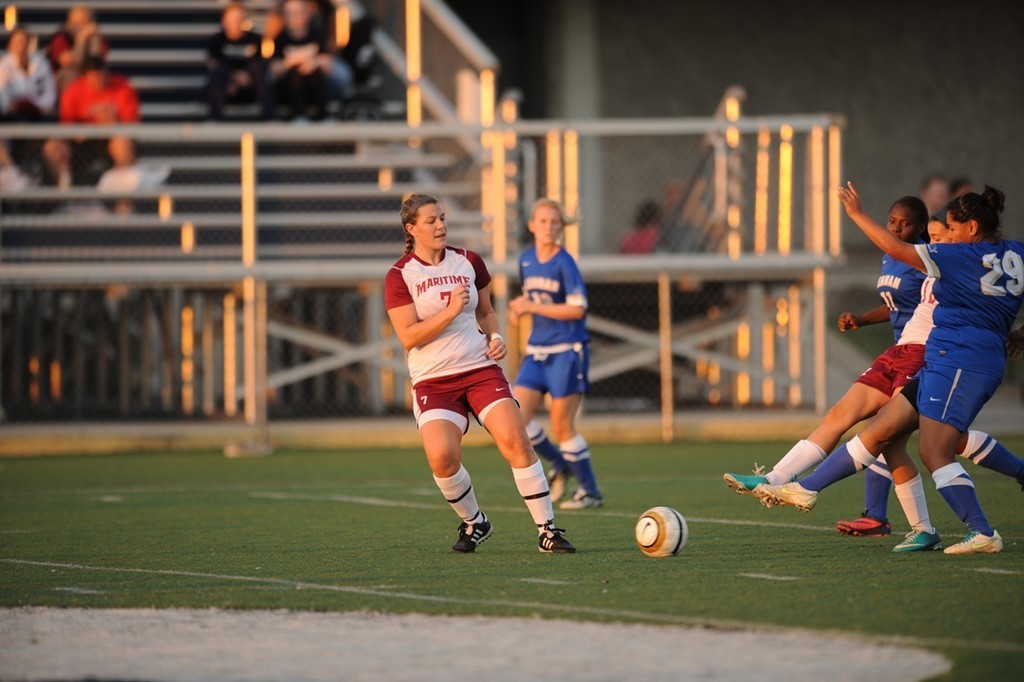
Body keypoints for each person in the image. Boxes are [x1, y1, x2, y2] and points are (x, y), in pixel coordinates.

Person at [762, 183, 1024, 555]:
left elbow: (894, 248)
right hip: (946, 358)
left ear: (971, 229)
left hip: (963, 360)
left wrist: (855, 215)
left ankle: (982, 531)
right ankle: (806, 488)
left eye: (951, 228)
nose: (945, 235)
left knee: (936, 451)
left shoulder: (961, 256)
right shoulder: (1015, 251)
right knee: (882, 428)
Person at [384, 193, 576, 554]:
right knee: (441, 457)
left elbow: (486, 312)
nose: (441, 225)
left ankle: (547, 530)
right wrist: (450, 310)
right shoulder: (399, 275)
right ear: (412, 229)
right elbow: (409, 335)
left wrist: (497, 336)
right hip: (433, 381)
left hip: (479, 370)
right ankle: (476, 522)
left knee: (516, 440)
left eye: (442, 218)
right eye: (431, 221)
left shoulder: (469, 261)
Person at [509, 198, 603, 510]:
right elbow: (534, 297)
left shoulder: (565, 262)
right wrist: (518, 308)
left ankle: (590, 491)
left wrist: (531, 306)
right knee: (515, 419)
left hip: (567, 351)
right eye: (543, 221)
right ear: (531, 225)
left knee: (562, 425)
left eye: (555, 222)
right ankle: (561, 464)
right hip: (537, 352)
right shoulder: (525, 260)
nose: (549, 227)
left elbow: (578, 309)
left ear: (561, 227)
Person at [42, 55, 139, 188]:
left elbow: (132, 124)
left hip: (111, 139)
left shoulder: (122, 87)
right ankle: (63, 193)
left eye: (101, 76)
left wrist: (114, 125)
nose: (98, 81)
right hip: (82, 142)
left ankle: (123, 204)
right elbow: (66, 123)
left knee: (122, 144)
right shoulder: (74, 90)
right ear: (86, 76)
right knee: (53, 147)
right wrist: (77, 132)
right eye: (94, 77)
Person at [205, 2, 274, 121]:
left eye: (239, 19)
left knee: (257, 67)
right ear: (224, 21)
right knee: (219, 71)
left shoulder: (256, 39)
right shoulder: (217, 40)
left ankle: (269, 116)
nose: (235, 24)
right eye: (232, 20)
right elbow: (212, 64)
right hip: (227, 88)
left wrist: (247, 77)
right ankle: (214, 117)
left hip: (251, 87)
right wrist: (235, 77)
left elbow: (264, 65)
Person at [269, 0, 331, 121]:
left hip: (315, 85)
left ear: (307, 14)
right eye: (290, 13)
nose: (295, 17)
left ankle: (324, 116)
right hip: (288, 90)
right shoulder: (279, 39)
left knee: (316, 72)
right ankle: (298, 115)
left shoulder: (317, 35)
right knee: (295, 73)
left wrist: (314, 62)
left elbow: (330, 67)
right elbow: (274, 71)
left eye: (298, 12)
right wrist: (293, 61)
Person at [45, 4, 109, 94]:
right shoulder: (61, 37)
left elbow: (99, 60)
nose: (81, 26)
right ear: (70, 22)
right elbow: (68, 62)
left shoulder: (96, 37)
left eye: (84, 22)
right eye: (77, 22)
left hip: (90, 74)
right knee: (70, 75)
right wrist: (81, 40)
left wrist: (94, 39)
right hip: (67, 79)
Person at [0, 27, 57, 122]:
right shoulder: (3, 66)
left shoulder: (42, 64)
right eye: (17, 41)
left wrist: (38, 107)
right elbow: (3, 95)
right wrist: (12, 107)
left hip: (39, 113)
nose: (21, 45)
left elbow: (49, 93)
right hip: (13, 115)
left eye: (23, 41)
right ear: (10, 44)